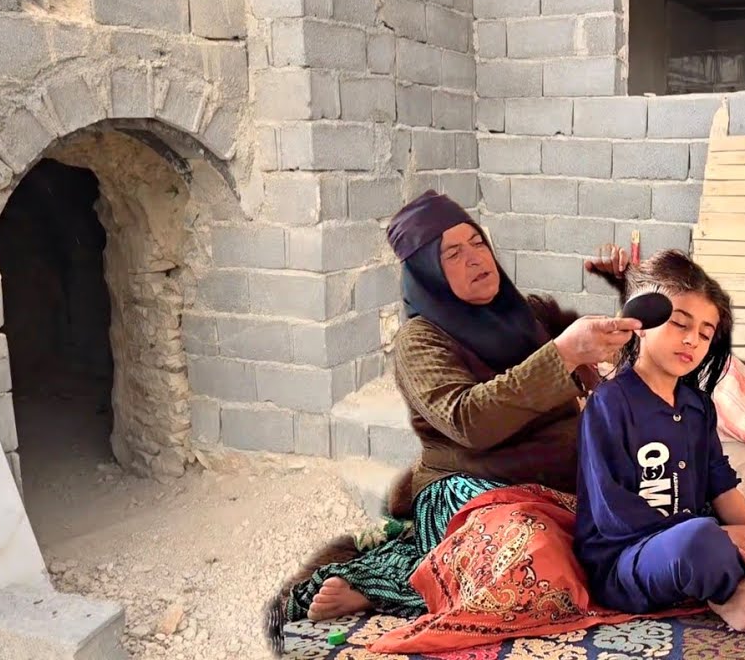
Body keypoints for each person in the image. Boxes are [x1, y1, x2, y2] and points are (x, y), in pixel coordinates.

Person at [264, 191, 639, 647]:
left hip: (566, 481)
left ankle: (438, 570)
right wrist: (562, 355)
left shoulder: (530, 314)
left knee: (645, 517)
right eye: (453, 254)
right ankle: (386, 581)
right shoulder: (420, 341)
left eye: (477, 243)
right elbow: (468, 420)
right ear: (426, 273)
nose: (475, 258)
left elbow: (618, 345)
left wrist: (628, 286)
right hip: (471, 487)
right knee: (529, 550)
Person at [574, 251, 745, 634]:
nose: (691, 341)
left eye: (704, 332)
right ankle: (731, 591)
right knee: (700, 541)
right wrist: (718, 534)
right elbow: (615, 518)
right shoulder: (610, 403)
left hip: (702, 540)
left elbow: (721, 487)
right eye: (680, 324)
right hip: (630, 559)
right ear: (643, 324)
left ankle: (733, 581)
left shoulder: (697, 406)